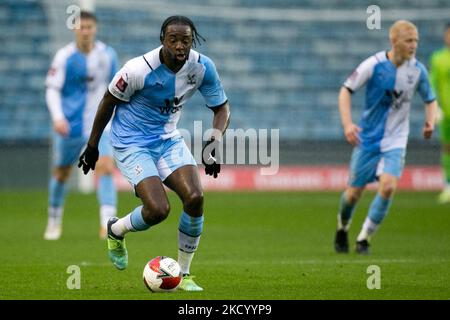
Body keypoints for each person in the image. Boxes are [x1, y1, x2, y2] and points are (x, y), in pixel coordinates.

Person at [78, 15, 231, 291]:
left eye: (185, 40)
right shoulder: (138, 69)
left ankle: (184, 275)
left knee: (195, 198)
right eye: (173, 39)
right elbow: (108, 101)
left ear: (192, 41)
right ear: (163, 39)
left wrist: (214, 141)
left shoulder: (202, 67)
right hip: (131, 142)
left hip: (168, 139)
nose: (180, 46)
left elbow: (221, 108)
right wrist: (92, 146)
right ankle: (117, 229)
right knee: (159, 209)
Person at [333, 20, 437, 254]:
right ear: (394, 41)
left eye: (416, 41)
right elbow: (345, 90)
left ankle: (364, 238)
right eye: (409, 40)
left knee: (388, 186)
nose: (414, 46)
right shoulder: (374, 65)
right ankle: (343, 227)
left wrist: (431, 121)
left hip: (396, 140)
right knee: (353, 194)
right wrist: (348, 124)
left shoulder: (418, 70)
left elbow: (430, 100)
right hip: (368, 140)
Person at [44, 11, 118, 240]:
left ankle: (107, 224)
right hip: (70, 125)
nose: (86, 31)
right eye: (81, 27)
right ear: (75, 29)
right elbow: (52, 89)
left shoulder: (107, 55)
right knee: (61, 173)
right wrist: (57, 117)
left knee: (106, 166)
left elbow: (118, 87)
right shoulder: (64, 57)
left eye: (89, 27)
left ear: (95, 29)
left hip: (99, 125)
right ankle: (54, 220)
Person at [430, 23, 450, 204]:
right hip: (447, 112)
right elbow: (432, 83)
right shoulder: (438, 58)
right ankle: (448, 186)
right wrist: (435, 108)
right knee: (447, 148)